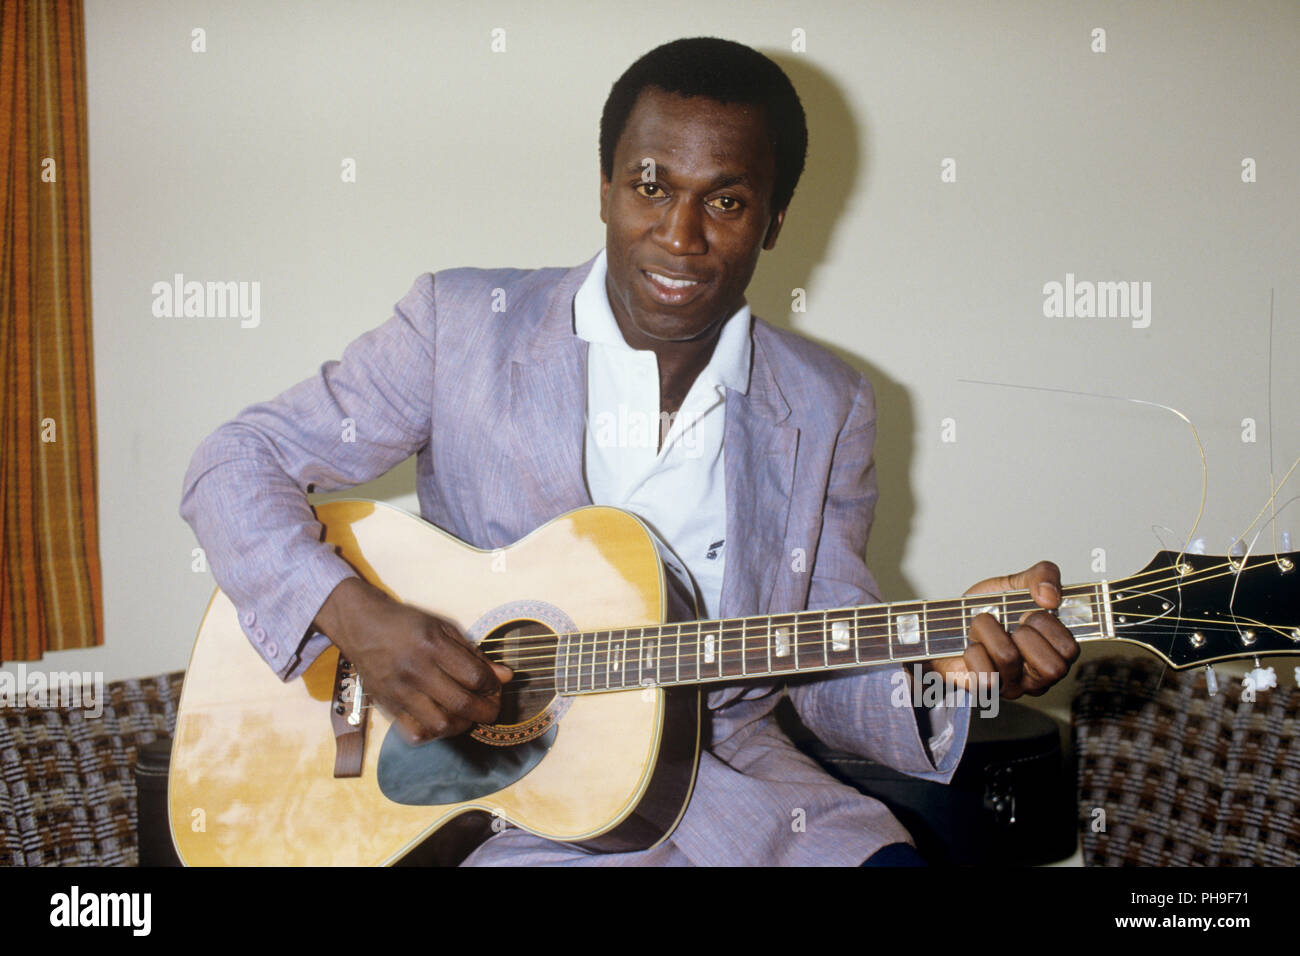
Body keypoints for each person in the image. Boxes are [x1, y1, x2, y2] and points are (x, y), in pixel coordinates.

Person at [180, 37, 1079, 866]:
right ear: (605, 187)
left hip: (753, 801)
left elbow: (827, 671)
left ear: (771, 220)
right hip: (510, 807)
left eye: (724, 201)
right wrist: (355, 619)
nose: (681, 237)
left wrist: (946, 667)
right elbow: (233, 462)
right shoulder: (460, 329)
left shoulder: (828, 404)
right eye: (651, 186)